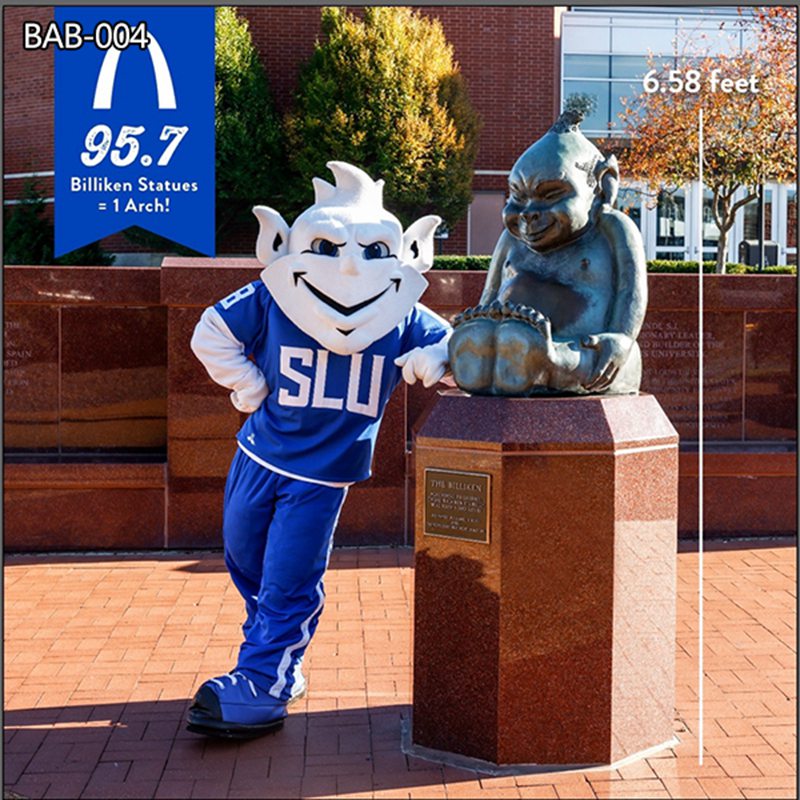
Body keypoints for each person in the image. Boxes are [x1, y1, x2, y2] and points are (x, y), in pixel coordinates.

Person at [187, 162, 451, 738]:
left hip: (323, 472)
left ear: (407, 250)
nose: (350, 263)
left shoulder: (400, 308)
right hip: (258, 452)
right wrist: (249, 384)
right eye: (330, 245)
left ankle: (263, 681)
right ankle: (279, 659)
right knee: (243, 554)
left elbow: (462, 342)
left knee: (288, 574)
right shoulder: (276, 294)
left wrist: (443, 355)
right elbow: (210, 331)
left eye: (371, 248)